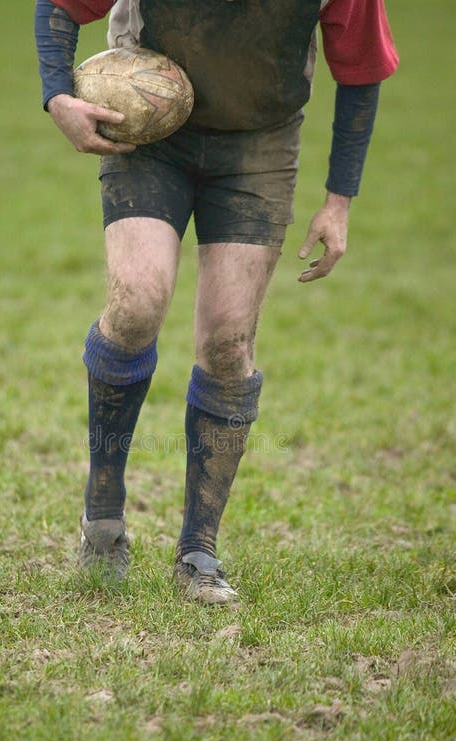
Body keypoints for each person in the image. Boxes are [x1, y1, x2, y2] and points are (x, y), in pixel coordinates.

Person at [34, 0, 398, 604]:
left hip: (258, 145)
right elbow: (62, 5)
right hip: (148, 131)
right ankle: (102, 515)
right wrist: (57, 96)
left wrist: (339, 200)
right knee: (137, 304)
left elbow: (361, 69)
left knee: (229, 341)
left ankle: (198, 551)